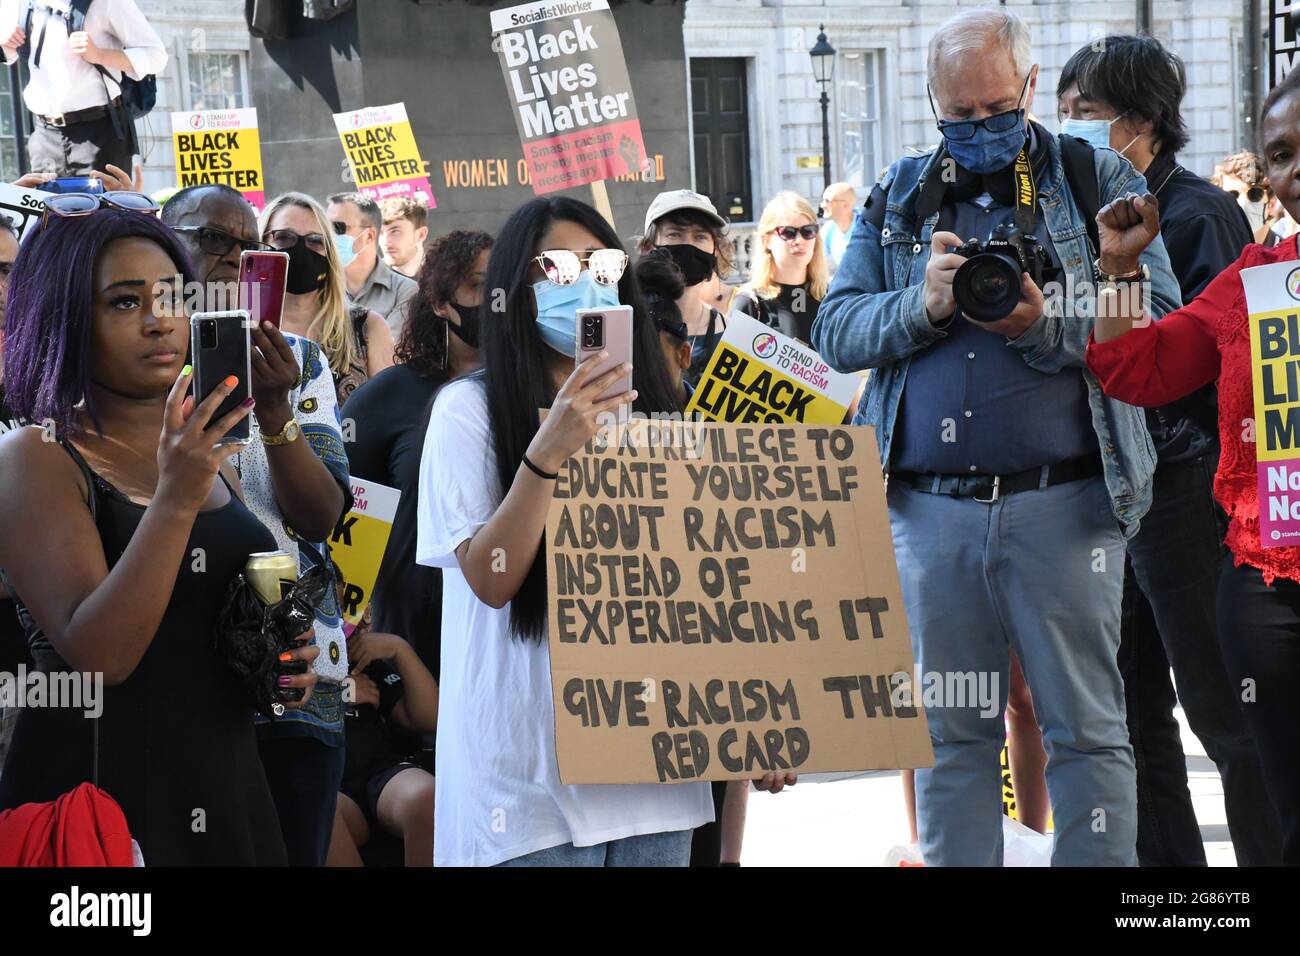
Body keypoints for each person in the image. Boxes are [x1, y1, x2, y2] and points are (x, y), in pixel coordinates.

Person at [813, 7, 1181, 866]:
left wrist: (1044, 323)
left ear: (1026, 87)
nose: (982, 130)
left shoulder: (1094, 178)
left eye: (997, 110)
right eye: (960, 116)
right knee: (949, 737)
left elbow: (1153, 325)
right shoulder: (901, 195)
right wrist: (925, 304)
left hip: (1069, 505)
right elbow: (835, 331)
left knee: (1088, 730)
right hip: (931, 516)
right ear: (933, 105)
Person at [416, 195, 794, 867]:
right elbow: (493, 577)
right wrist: (547, 455)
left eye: (602, 264)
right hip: (526, 796)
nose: (586, 281)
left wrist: (754, 715)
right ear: (516, 290)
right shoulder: (466, 414)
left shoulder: (667, 422)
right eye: (558, 267)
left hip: (655, 783)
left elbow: (708, 594)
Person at [0, 204, 317, 864]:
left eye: (173, 294)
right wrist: (175, 492)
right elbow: (101, 655)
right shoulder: (37, 455)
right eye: (123, 301)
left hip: (225, 786)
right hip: (101, 811)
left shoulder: (201, 440)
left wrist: (279, 656)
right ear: (66, 315)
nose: (158, 319)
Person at [1058, 34, 1280, 867]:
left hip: (1190, 498)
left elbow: (1229, 377)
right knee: (1127, 715)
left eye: (1088, 115)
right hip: (1112, 500)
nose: (1069, 129)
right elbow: (1120, 362)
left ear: (1144, 121)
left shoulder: (1198, 214)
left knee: (1226, 714)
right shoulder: (1078, 216)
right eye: (1064, 111)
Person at [162, 182, 357, 867]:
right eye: (211, 238)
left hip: (294, 678)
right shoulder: (137, 363)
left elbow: (321, 517)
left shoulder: (298, 360)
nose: (231, 260)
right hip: (184, 686)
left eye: (249, 248)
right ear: (163, 242)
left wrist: (274, 413)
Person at [343, 229, 492, 680]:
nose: (497, 300)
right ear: (441, 303)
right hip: (416, 638)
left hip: (507, 628)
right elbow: (344, 520)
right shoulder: (387, 398)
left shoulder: (543, 393)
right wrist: (347, 636)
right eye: (480, 286)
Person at [0, 0, 165, 177]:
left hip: (99, 134)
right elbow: (9, 53)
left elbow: (156, 56)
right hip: (44, 136)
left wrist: (100, 55)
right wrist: (4, 42)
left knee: (104, 204)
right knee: (47, 203)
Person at [262, 192, 394, 406]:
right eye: (284, 237)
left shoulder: (368, 329)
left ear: (330, 253)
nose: (300, 250)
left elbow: (391, 415)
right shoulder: (241, 329)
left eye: (316, 241)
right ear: (262, 243)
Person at [329, 628, 439, 867]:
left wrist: (399, 649)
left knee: (426, 796)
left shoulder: (350, 648)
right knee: (320, 810)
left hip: (379, 773)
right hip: (324, 780)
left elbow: (428, 718)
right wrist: (337, 694)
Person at [637, 188, 734, 386]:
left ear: (715, 249)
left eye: (700, 237)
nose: (688, 245)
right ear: (649, 247)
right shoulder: (630, 326)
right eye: (674, 235)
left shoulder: (731, 334)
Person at [733, 191, 828, 344]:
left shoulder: (831, 299)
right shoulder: (749, 303)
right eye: (788, 233)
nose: (799, 240)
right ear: (766, 240)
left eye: (808, 231)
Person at [327, 192, 417, 342]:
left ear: (369, 235)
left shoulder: (404, 291)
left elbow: (387, 351)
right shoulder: (317, 286)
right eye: (325, 227)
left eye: (338, 228)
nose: (329, 235)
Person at [635, 249, 694, 409]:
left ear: (683, 355)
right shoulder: (609, 425)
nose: (639, 374)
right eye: (630, 362)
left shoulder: (718, 422)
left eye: (651, 361)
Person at [1211, 151, 1273, 244]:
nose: (1242, 203)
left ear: (1271, 204)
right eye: (1232, 195)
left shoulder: (1292, 255)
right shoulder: (1213, 254)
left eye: (1254, 194)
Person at [380, 196, 429, 280]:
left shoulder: (447, 278)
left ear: (421, 235)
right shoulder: (367, 283)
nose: (385, 241)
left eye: (395, 231)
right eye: (380, 233)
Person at [820, 181, 859, 269]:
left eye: (827, 201)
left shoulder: (864, 228)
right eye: (823, 200)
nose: (822, 205)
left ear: (845, 205)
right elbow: (818, 260)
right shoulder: (828, 230)